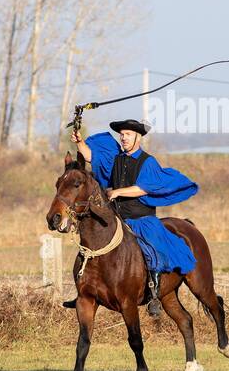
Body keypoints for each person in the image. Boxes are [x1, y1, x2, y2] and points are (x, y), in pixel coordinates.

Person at [68, 119, 198, 314]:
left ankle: (154, 294)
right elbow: (91, 157)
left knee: (153, 249)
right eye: (121, 134)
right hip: (119, 219)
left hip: (142, 220)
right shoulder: (116, 159)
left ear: (138, 137)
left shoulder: (148, 162)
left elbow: (143, 189)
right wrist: (79, 142)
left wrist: (118, 192)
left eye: (128, 134)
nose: (123, 137)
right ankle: (85, 291)